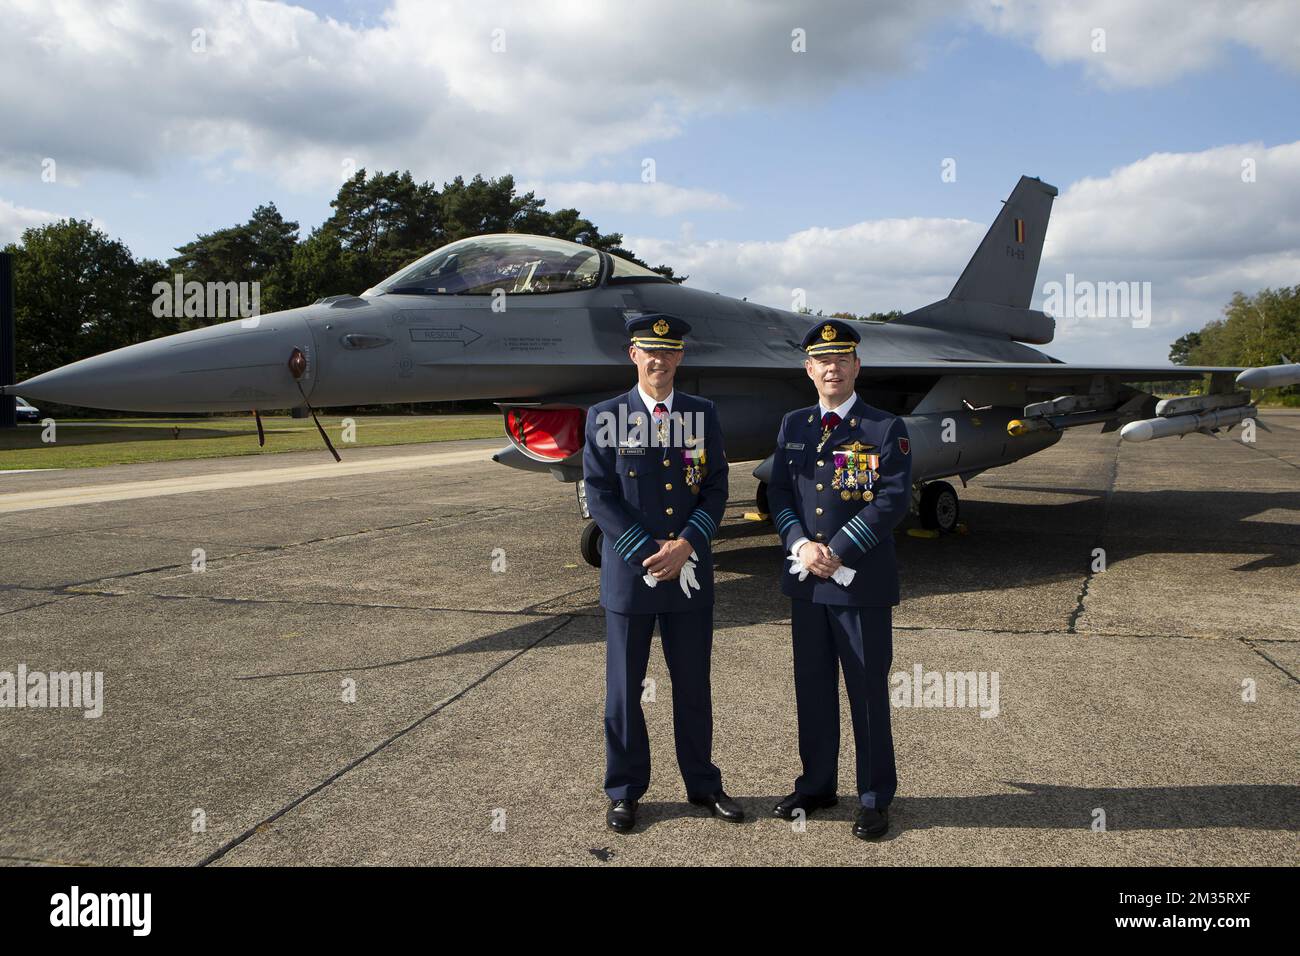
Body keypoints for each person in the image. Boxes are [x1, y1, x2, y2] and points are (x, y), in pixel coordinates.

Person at [581, 313, 742, 834]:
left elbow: (715, 487)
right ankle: (625, 791)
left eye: (669, 351)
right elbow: (599, 494)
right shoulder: (606, 416)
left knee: (693, 686)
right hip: (632, 577)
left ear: (680, 358)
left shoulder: (701, 413)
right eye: (649, 350)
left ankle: (703, 784)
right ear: (633, 355)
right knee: (625, 690)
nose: (659, 360)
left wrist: (686, 544)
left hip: (689, 573)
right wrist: (646, 552)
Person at [766, 318, 913, 840]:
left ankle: (874, 796)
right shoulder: (794, 425)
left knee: (867, 691)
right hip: (807, 581)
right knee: (813, 688)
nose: (832, 368)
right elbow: (780, 492)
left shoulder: (883, 427)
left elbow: (893, 499)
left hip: (860, 582)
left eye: (841, 359)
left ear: (856, 366)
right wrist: (800, 545)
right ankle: (817, 784)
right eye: (822, 361)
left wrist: (840, 548)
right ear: (809, 370)